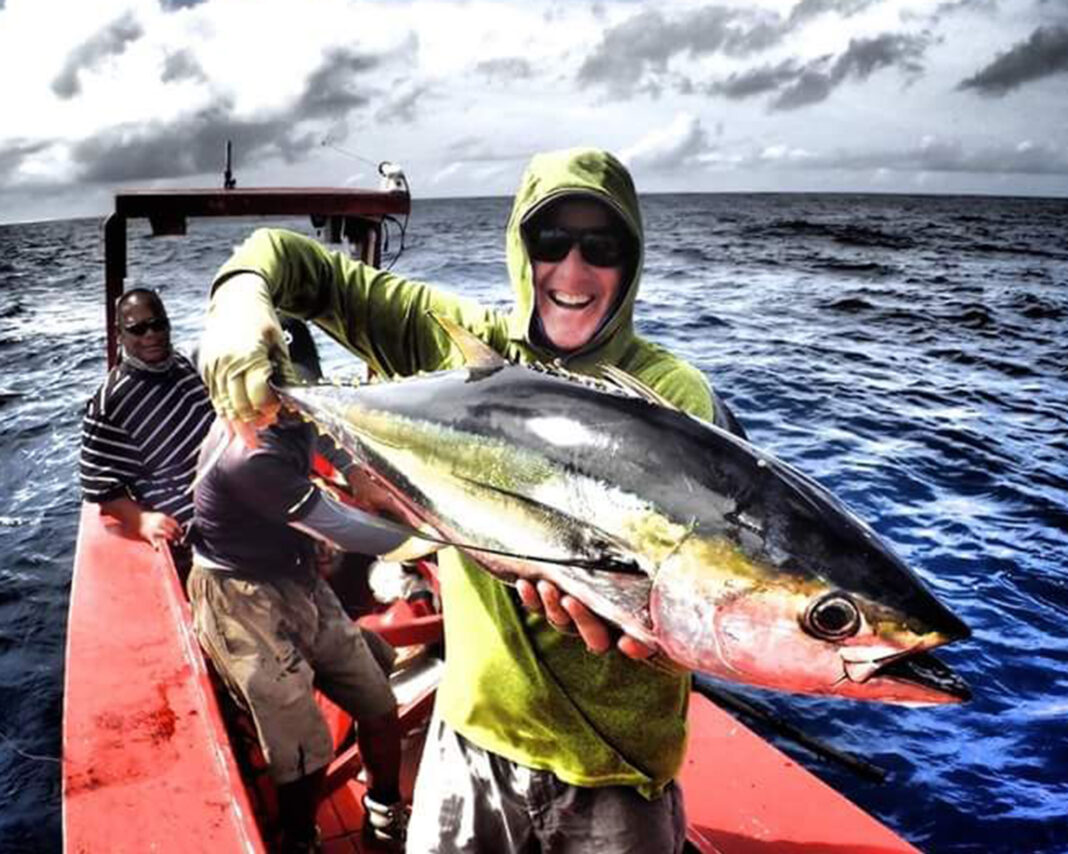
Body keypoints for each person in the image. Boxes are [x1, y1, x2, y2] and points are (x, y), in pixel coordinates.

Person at [198, 148, 744, 853]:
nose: (573, 272)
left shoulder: (674, 400)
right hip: (471, 739)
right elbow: (291, 261)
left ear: (631, 260)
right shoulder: (464, 346)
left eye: (602, 247)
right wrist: (239, 295)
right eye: (551, 242)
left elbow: (709, 579)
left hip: (613, 771)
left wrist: (669, 642)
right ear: (522, 247)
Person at [189, 319, 417, 851]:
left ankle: (385, 810)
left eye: (296, 389)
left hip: (297, 577)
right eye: (275, 395)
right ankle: (300, 840)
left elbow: (321, 430)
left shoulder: (291, 407)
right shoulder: (247, 454)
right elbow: (343, 529)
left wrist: (353, 470)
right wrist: (431, 540)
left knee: (378, 703)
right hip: (238, 596)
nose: (287, 404)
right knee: (302, 749)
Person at [80, 288, 213, 572]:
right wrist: (142, 520)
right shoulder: (110, 404)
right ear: (120, 335)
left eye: (157, 324)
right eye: (137, 329)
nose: (150, 334)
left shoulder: (182, 365)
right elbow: (98, 487)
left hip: (232, 494)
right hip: (196, 527)